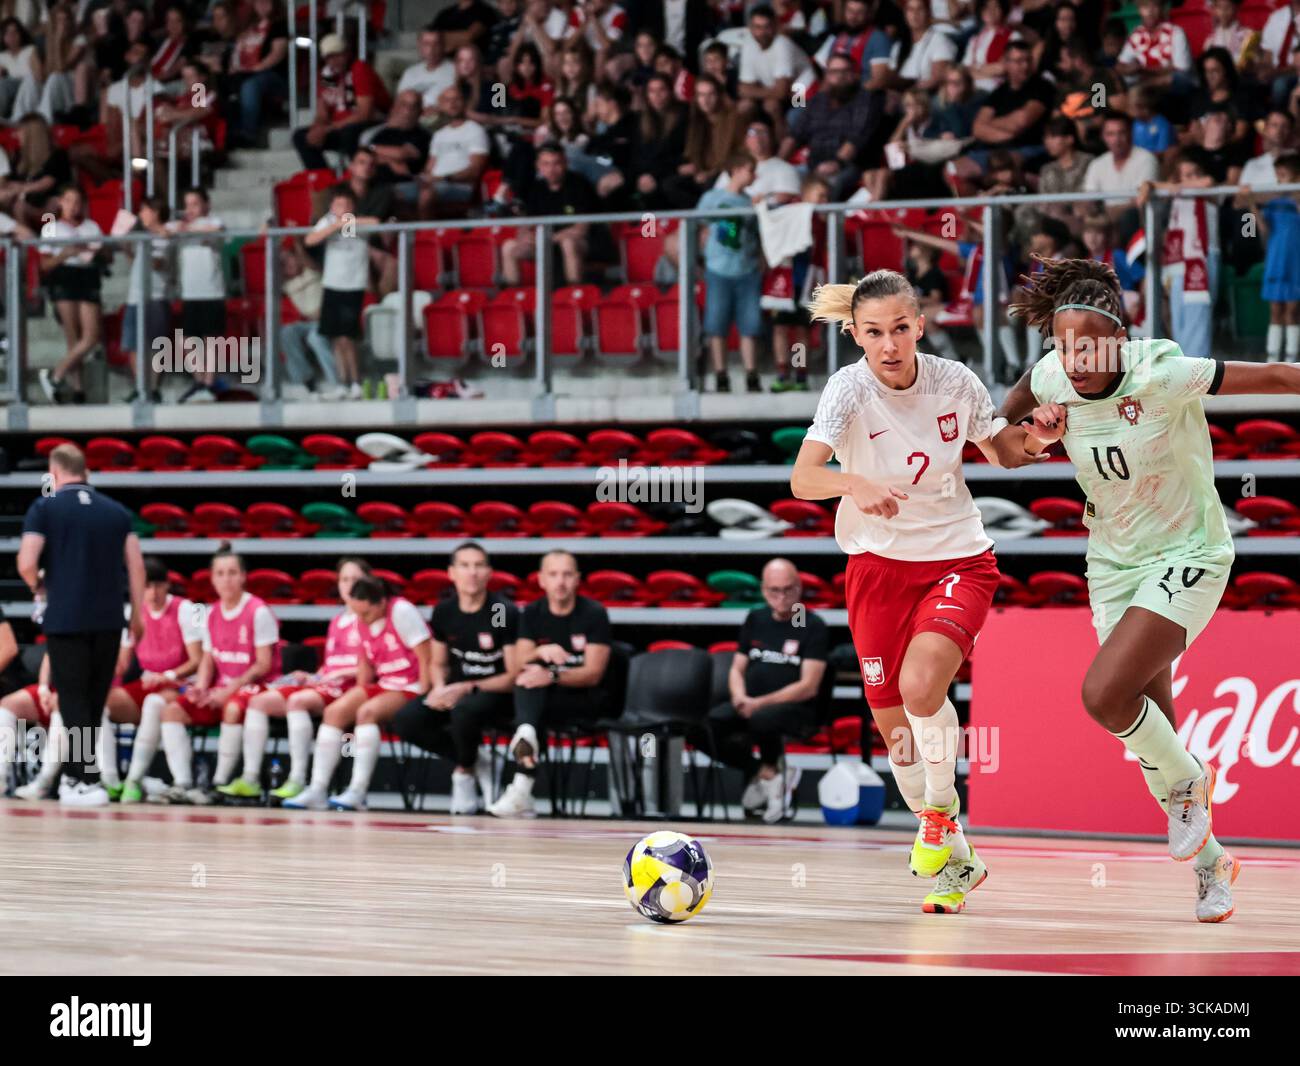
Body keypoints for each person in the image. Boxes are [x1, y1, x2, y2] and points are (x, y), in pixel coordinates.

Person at [1003, 257, 1300, 921]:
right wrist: (1034, 438)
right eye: (1062, 345)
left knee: (1103, 695)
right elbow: (1005, 436)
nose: (1073, 359)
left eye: (1088, 346)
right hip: (1112, 563)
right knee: (1145, 728)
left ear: (1119, 340)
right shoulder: (1051, 377)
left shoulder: (1164, 373)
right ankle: (1212, 864)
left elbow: (1278, 375)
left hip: (1189, 550)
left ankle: (1193, 781)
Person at [790, 271, 1045, 913]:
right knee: (894, 730)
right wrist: (855, 485)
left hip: (958, 556)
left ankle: (939, 813)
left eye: (900, 328)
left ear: (920, 326)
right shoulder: (847, 388)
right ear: (855, 334)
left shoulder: (954, 380)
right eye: (873, 332)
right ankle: (957, 861)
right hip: (876, 568)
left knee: (921, 686)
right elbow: (802, 478)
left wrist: (1039, 436)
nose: (889, 344)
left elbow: (1003, 452)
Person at [17, 444, 145, 808]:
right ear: (86, 472)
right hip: (108, 619)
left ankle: (79, 779)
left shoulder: (44, 508)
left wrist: (38, 585)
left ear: (54, 473)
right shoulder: (117, 512)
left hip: (66, 619)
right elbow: (136, 567)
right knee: (93, 699)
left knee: (72, 700)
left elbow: (27, 560)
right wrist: (136, 617)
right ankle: (86, 779)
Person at [692, 559, 828, 824]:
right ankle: (768, 774)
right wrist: (739, 696)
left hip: (795, 708)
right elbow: (737, 669)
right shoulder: (756, 619)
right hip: (750, 701)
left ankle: (770, 777)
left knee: (760, 718)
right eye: (775, 590)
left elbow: (808, 686)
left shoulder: (811, 625)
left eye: (788, 589)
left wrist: (759, 703)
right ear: (764, 591)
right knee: (703, 727)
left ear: (799, 589)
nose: (782, 597)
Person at [225, 558, 370, 802]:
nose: (349, 585)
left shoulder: (369, 619)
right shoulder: (337, 620)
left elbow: (373, 665)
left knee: (297, 702)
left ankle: (297, 778)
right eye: (344, 580)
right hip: (327, 685)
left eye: (355, 579)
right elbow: (331, 664)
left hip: (348, 689)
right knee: (258, 702)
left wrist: (342, 674)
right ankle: (250, 778)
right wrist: (313, 676)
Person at [391, 542, 520, 814]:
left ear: (489, 572)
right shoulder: (445, 611)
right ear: (451, 573)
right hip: (454, 690)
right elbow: (438, 662)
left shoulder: (500, 611)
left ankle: (464, 770)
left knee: (463, 712)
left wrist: (467, 686)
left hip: (493, 692)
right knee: (406, 720)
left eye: (478, 565)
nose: (472, 572)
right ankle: (478, 759)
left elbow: (513, 674)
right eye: (465, 566)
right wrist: (438, 688)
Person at [285, 575, 433, 811]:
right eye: (357, 613)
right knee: (335, 712)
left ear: (381, 602)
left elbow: (426, 655)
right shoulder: (360, 616)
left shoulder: (402, 611)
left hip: (410, 684)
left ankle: (358, 791)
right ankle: (317, 788)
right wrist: (358, 691)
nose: (361, 619)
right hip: (384, 682)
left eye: (366, 613)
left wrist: (425, 693)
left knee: (366, 713)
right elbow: (365, 661)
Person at [488, 550, 611, 818]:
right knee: (527, 680)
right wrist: (540, 653)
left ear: (578, 579)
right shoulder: (531, 613)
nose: (561, 582)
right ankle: (524, 758)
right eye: (553, 575)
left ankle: (522, 784)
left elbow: (593, 674)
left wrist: (553, 675)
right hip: (545, 701)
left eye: (567, 574)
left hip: (586, 700)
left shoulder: (594, 613)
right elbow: (518, 662)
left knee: (530, 692)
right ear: (541, 580)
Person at [155, 545, 280, 805]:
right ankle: (183, 783)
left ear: (244, 576)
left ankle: (219, 783)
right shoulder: (210, 613)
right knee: (171, 711)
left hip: (256, 688)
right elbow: (208, 658)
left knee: (233, 708)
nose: (227, 579)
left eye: (232, 572)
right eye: (221, 573)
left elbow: (264, 665)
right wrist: (201, 685)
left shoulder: (258, 611)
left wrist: (230, 689)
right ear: (212, 579)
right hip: (221, 689)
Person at [107, 556, 204, 803]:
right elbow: (121, 663)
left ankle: (134, 780)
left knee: (153, 704)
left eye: (157, 585)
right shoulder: (132, 612)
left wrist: (168, 676)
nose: (151, 593)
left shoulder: (190, 609)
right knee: (98, 701)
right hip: (149, 682)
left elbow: (198, 660)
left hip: (183, 682)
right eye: (145, 586)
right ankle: (108, 780)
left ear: (167, 585)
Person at [697, 152, 764, 394]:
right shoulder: (711, 198)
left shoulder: (751, 201)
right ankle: (721, 375)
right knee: (716, 324)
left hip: (747, 270)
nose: (753, 175)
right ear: (736, 169)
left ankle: (751, 374)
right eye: (750, 169)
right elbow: (698, 227)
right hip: (718, 269)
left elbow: (760, 234)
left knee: (750, 325)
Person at [305, 185, 378, 400]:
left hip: (353, 285)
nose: (342, 207)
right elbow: (310, 239)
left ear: (353, 206)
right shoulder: (328, 222)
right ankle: (341, 383)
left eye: (346, 204)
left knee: (348, 337)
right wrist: (334, 225)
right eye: (338, 204)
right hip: (332, 284)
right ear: (331, 206)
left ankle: (355, 382)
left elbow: (375, 223)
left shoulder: (356, 223)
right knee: (336, 338)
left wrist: (344, 222)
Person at [36, 183, 103, 405]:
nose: (74, 206)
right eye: (69, 201)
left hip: (88, 277)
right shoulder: (51, 227)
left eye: (78, 201)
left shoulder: (92, 226)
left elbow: (105, 255)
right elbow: (44, 264)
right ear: (61, 202)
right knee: (73, 337)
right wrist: (65, 254)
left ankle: (56, 375)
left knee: (90, 336)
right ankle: (78, 389)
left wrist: (98, 252)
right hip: (64, 278)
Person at [501, 142, 596, 285]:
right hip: (546, 243)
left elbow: (581, 229)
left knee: (568, 243)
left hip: (582, 243)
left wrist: (548, 239)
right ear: (538, 166)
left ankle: (573, 293)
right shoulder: (536, 189)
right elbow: (526, 224)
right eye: (545, 164)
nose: (551, 169)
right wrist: (525, 237)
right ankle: (513, 298)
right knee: (509, 246)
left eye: (556, 163)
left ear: (565, 163)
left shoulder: (580, 185)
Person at [292, 34, 390, 171]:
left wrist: (329, 128)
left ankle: (358, 176)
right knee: (301, 136)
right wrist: (318, 128)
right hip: (339, 127)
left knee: (349, 134)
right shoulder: (327, 75)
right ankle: (323, 180)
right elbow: (323, 111)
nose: (334, 61)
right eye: (329, 57)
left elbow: (364, 113)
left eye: (338, 55)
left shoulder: (359, 69)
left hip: (370, 124)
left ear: (347, 53)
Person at [171, 186, 228, 403]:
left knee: (211, 339)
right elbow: (163, 230)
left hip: (211, 291)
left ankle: (209, 383)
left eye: (195, 204)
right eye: (187, 205)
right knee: (187, 341)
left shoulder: (213, 222)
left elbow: (216, 230)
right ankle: (200, 381)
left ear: (206, 204)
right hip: (189, 292)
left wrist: (186, 229)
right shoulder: (181, 226)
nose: (191, 209)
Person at [1241, 154, 1300, 361]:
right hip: (1276, 261)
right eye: (1278, 176)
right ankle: (1272, 359)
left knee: (1292, 311)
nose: (1279, 180)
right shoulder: (1274, 204)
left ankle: (1292, 359)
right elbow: (1262, 230)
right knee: (1275, 309)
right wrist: (1251, 203)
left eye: (1284, 176)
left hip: (1295, 264)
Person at [121, 196, 173, 405]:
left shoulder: (165, 236)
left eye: (144, 210)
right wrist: (127, 249)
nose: (141, 214)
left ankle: (153, 388)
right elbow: (139, 262)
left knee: (156, 345)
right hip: (135, 295)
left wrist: (147, 245)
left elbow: (159, 264)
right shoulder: (144, 236)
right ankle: (140, 387)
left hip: (155, 296)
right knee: (134, 344)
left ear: (155, 212)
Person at [418, 84, 489, 215]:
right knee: (395, 192)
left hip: (460, 186)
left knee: (426, 195)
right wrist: (423, 178)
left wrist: (445, 178)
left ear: (464, 102)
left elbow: (475, 169)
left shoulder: (475, 130)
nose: (452, 103)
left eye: (457, 99)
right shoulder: (439, 134)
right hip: (434, 184)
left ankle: (426, 235)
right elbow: (429, 167)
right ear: (441, 105)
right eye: (447, 100)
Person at [397, 27, 456, 119]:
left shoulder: (455, 70)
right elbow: (399, 104)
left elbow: (461, 104)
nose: (431, 49)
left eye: (436, 44)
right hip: (412, 122)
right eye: (426, 44)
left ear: (443, 46)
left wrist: (439, 110)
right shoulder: (410, 73)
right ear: (419, 45)